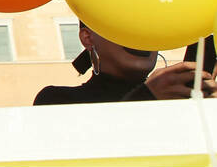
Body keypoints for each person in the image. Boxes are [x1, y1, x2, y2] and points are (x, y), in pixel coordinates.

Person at [34, 23, 216, 105]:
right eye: (124, 27)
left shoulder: (183, 98)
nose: (140, 39)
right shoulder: (56, 100)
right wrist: (148, 97)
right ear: (87, 37)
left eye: (150, 28)